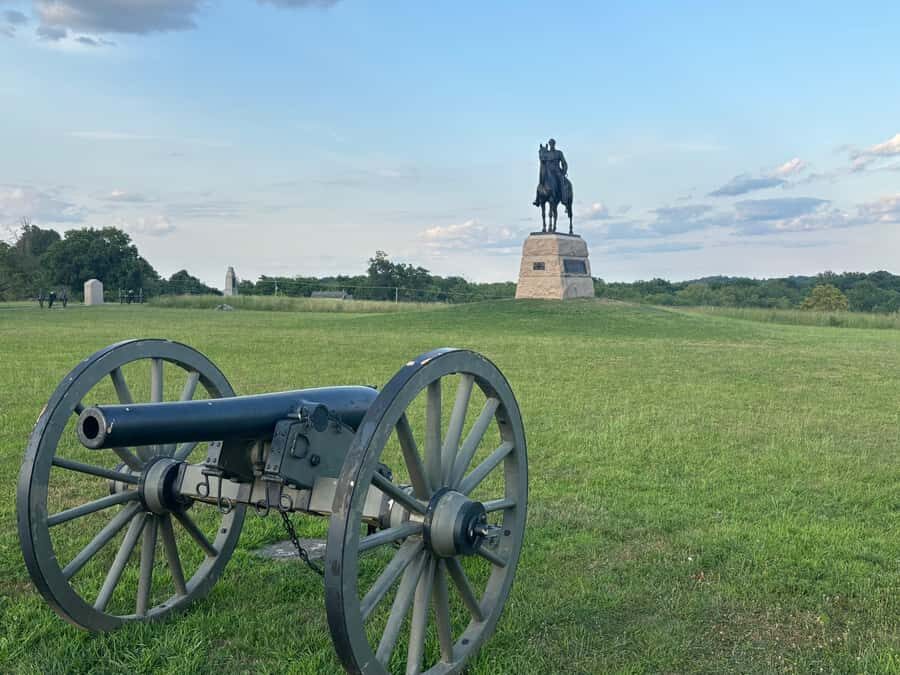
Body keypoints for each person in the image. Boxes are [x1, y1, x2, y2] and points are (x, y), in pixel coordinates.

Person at [532, 138, 568, 206]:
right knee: (541, 182)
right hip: (548, 172)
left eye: (552, 144)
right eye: (550, 144)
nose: (551, 145)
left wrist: (564, 170)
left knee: (561, 181)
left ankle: (564, 198)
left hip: (557, 171)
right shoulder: (546, 154)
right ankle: (537, 199)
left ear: (554, 144)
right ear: (549, 144)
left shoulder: (559, 153)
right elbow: (543, 163)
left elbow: (564, 163)